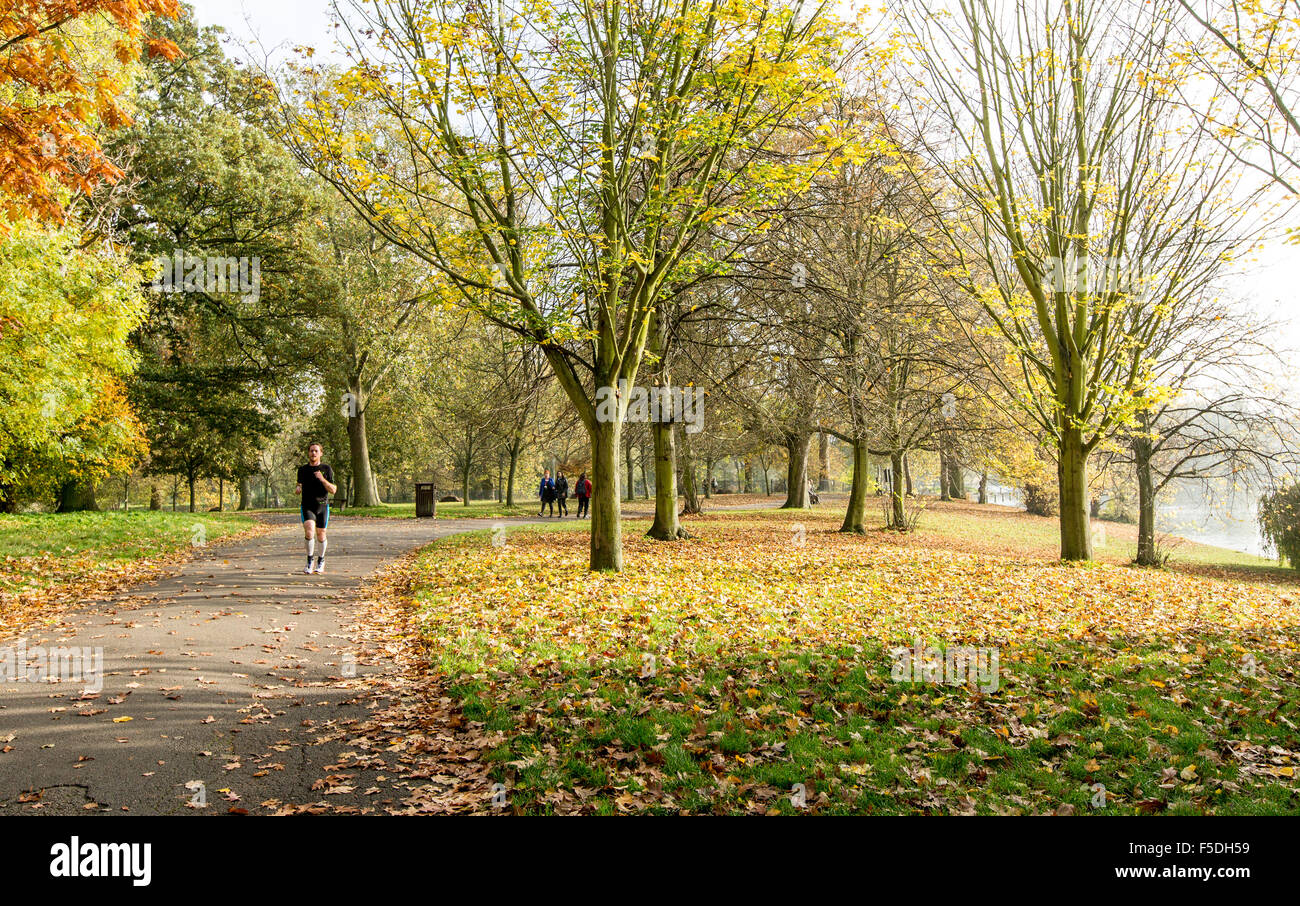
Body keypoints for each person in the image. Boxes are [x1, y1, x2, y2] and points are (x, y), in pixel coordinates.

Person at [295, 442, 337, 574]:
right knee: (309, 531)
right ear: (308, 453)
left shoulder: (326, 469)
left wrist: (322, 479)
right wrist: (298, 488)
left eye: (316, 451)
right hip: (307, 505)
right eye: (311, 451)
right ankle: (309, 561)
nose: (313, 453)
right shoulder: (302, 470)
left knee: (321, 534)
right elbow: (299, 485)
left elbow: (333, 490)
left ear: (320, 453)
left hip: (322, 506)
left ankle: (321, 561)